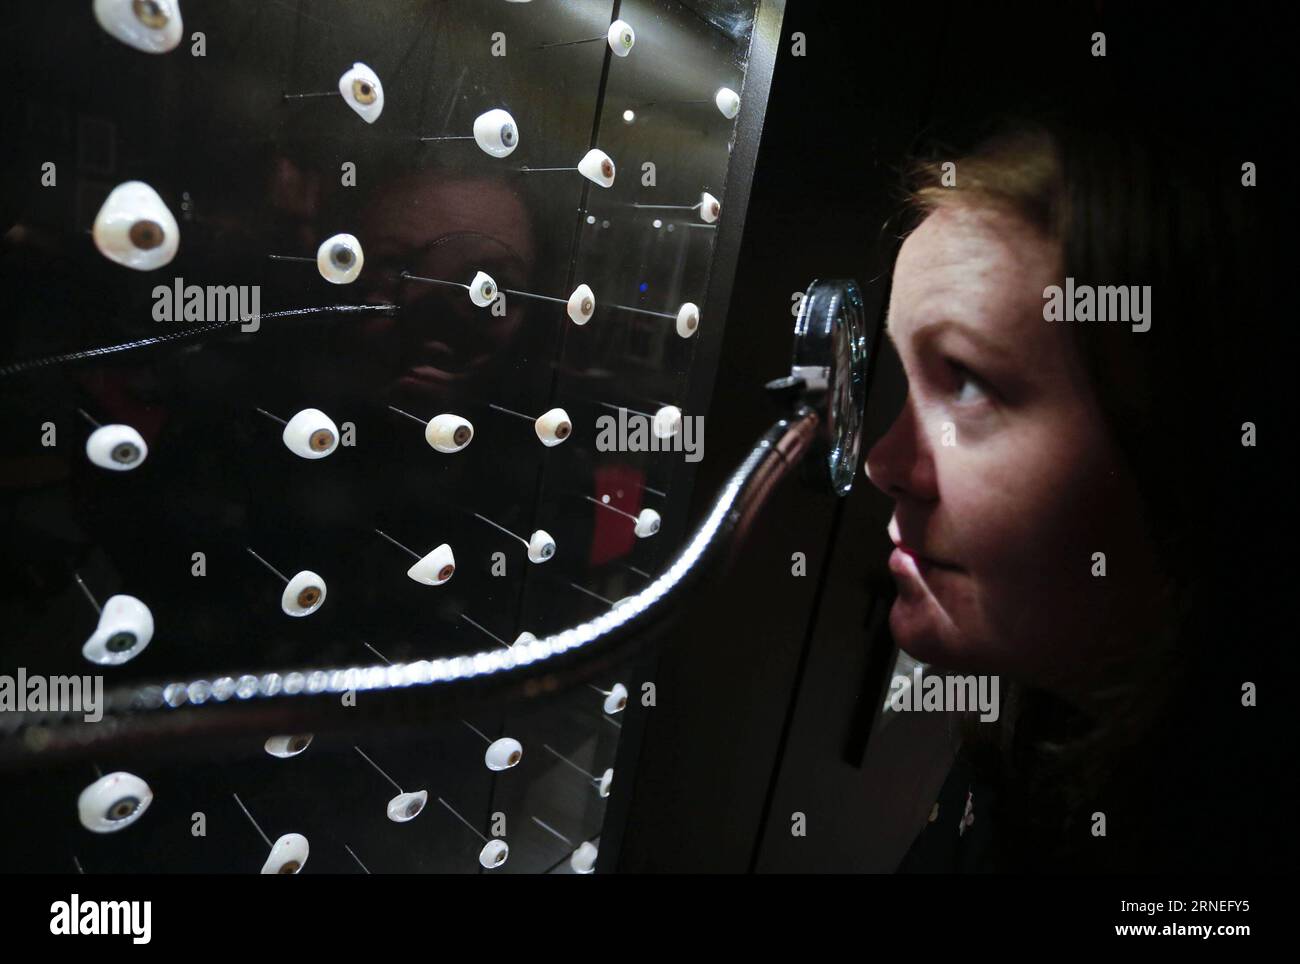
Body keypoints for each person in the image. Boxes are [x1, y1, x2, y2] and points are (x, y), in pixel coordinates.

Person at [866, 116, 1287, 872]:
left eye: (964, 380)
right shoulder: (1032, 740)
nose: (883, 462)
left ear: (1183, 441)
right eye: (905, 374)